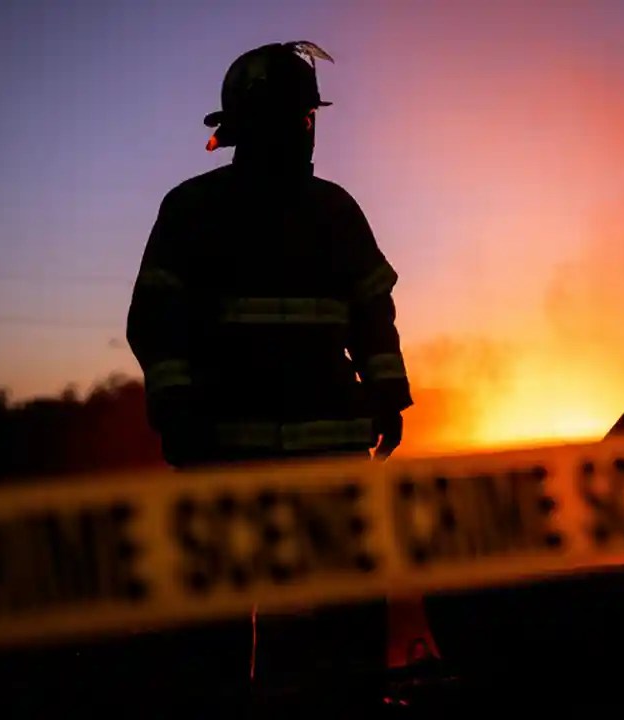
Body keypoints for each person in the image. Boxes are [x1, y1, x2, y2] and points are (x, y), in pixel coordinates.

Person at [124, 40, 412, 712]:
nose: (300, 131)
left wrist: (388, 395)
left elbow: (373, 311)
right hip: (229, 450)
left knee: (343, 614)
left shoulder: (331, 210)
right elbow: (156, 321)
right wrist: (177, 412)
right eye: (290, 117)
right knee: (219, 627)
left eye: (305, 118)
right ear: (247, 125)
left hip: (303, 453)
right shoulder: (197, 209)